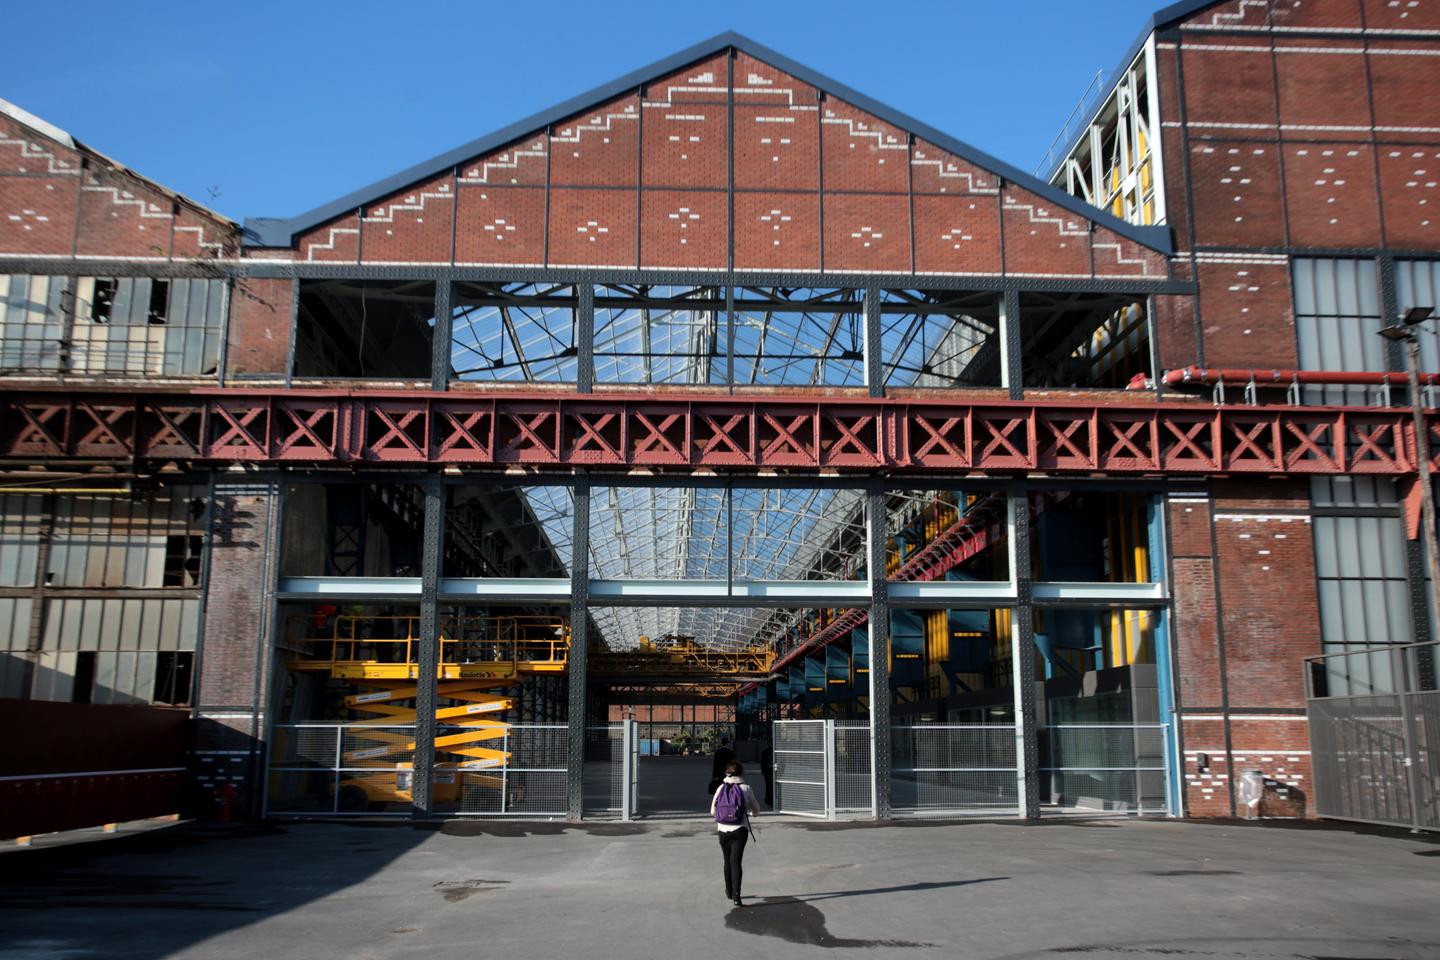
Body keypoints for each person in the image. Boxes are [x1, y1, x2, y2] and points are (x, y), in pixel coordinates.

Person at [710, 761, 760, 907]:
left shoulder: (720, 788)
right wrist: (751, 812)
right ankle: (737, 897)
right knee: (736, 862)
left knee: (727, 861)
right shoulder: (746, 788)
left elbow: (713, 811)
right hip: (740, 829)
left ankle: (729, 891)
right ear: (741, 773)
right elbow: (756, 809)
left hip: (723, 830)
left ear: (726, 773)